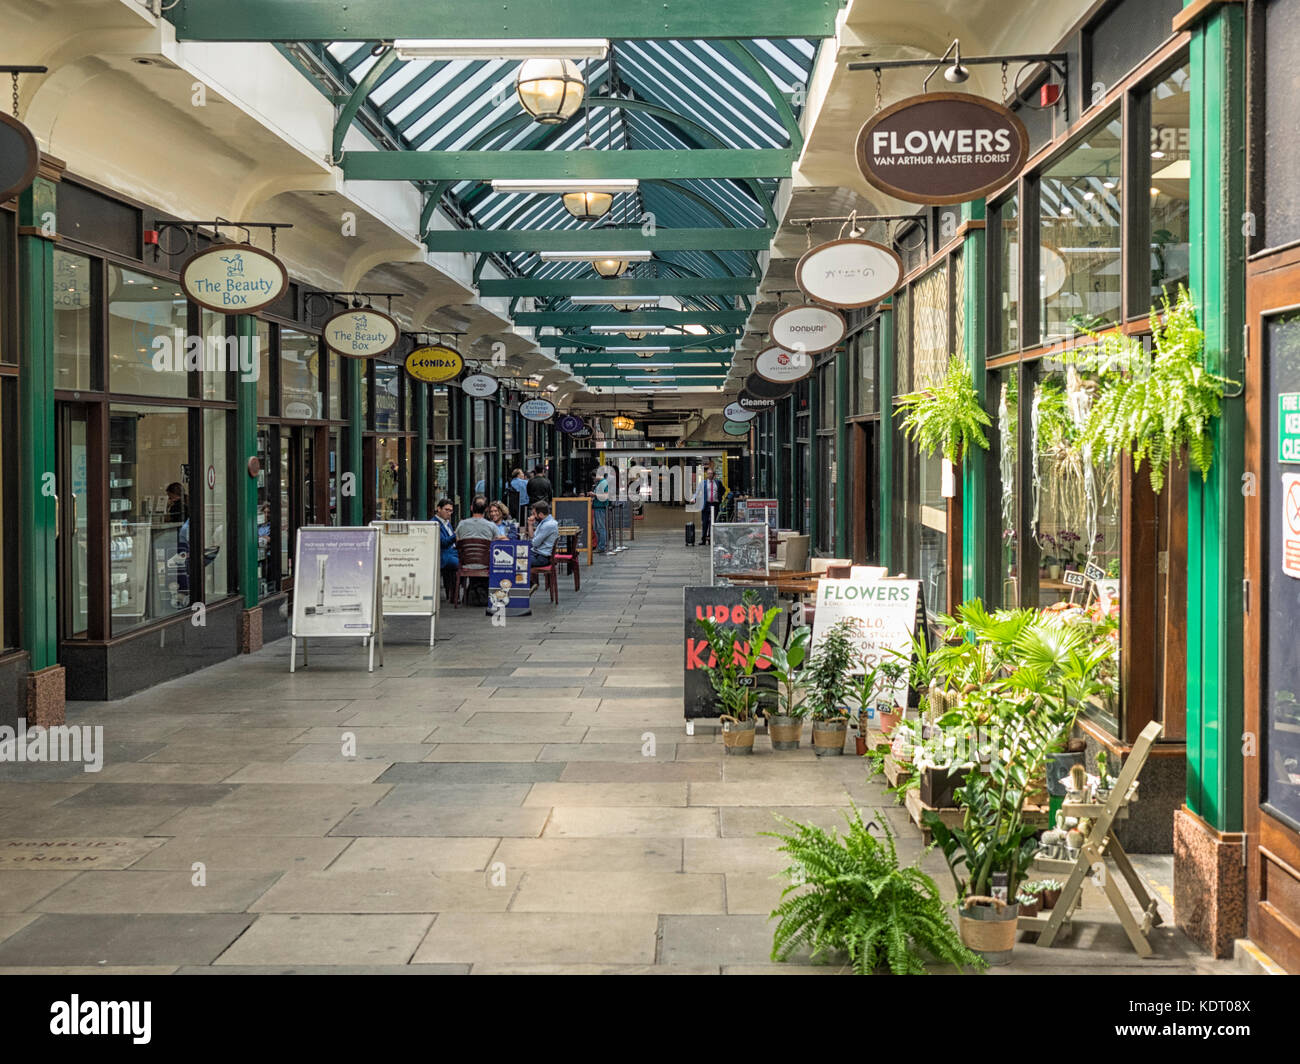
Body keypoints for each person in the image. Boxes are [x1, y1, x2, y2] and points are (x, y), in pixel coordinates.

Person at [693, 463, 726, 545]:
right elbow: (697, 492)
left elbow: (723, 490)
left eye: (711, 473)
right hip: (706, 505)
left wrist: (719, 497)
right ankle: (703, 539)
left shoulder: (718, 483)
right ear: (706, 474)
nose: (709, 475)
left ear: (713, 474)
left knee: (713, 522)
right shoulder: (703, 483)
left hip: (715, 505)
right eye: (708, 473)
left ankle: (711, 538)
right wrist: (693, 498)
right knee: (705, 522)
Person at [433, 498, 459, 601]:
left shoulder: (447, 523)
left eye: (451, 511)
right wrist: (456, 535)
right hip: (443, 554)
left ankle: (454, 594)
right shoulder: (435, 523)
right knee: (459, 563)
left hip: (452, 552)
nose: (449, 513)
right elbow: (443, 542)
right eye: (446, 510)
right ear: (438, 509)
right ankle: (454, 594)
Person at [528, 500, 559, 572]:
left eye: (534, 513)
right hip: (537, 554)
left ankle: (530, 583)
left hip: (542, 558)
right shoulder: (544, 522)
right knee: (517, 557)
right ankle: (530, 582)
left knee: (518, 561)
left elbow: (534, 543)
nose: (533, 516)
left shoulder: (548, 525)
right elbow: (532, 537)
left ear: (541, 514)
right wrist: (530, 524)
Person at [590, 466, 611, 554]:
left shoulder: (604, 483)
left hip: (600, 508)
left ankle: (602, 546)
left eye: (593, 477)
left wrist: (594, 495)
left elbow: (605, 496)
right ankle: (600, 545)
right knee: (597, 528)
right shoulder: (600, 483)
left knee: (601, 528)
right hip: (597, 507)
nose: (593, 479)